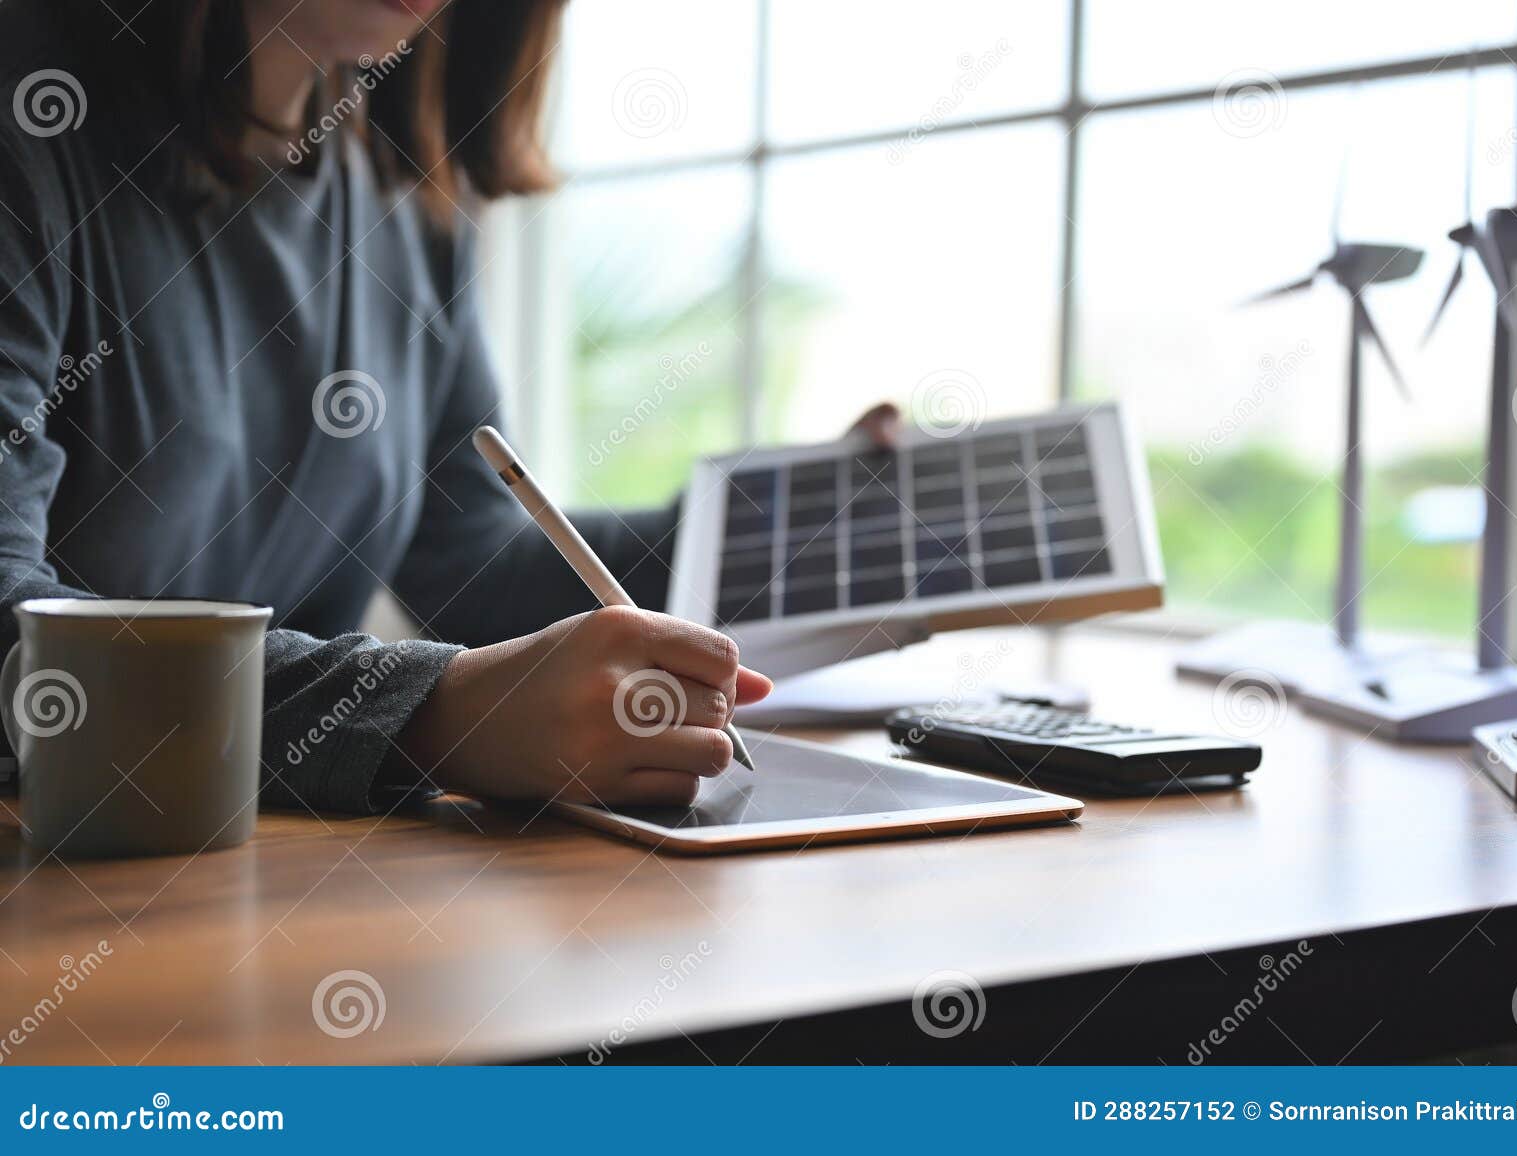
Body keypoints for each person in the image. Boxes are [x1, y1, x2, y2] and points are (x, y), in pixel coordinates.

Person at [0, 0, 901, 813]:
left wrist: (783, 529)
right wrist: (437, 714)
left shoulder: (401, 185)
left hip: (285, 873)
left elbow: (472, 561)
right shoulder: (35, 122)